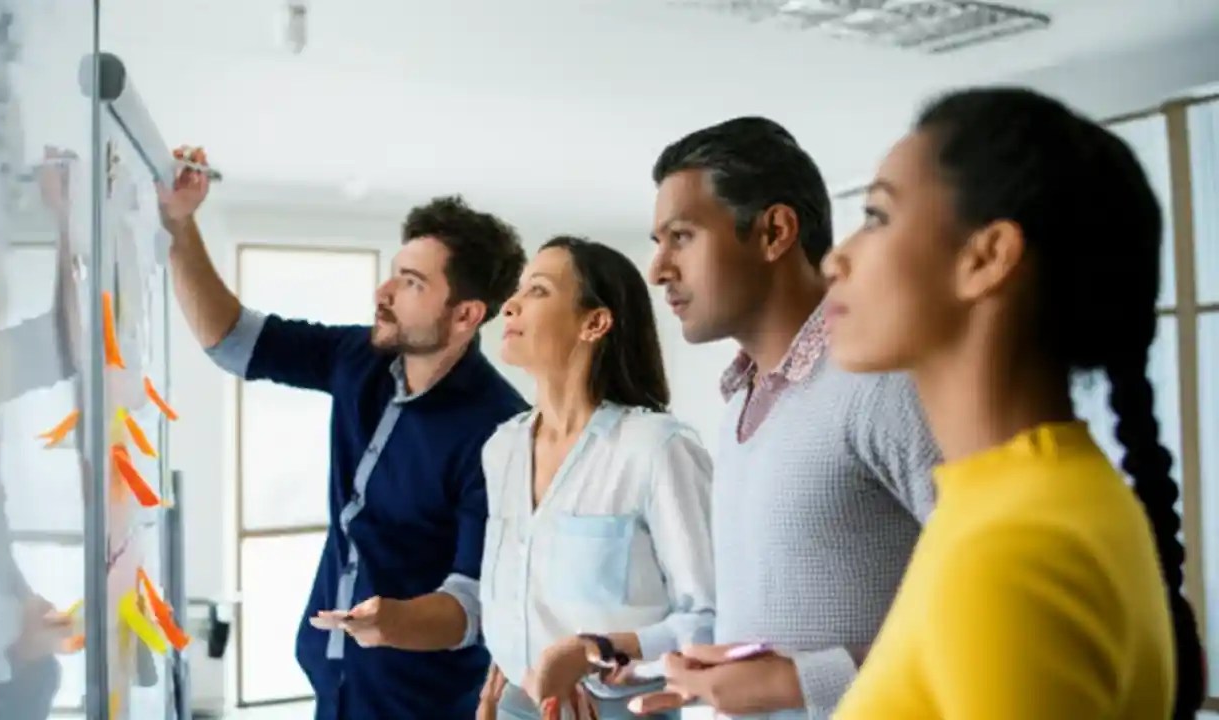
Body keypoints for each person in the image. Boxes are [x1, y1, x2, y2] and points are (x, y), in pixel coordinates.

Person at [823, 87, 1204, 719]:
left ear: (987, 257)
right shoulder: (1015, 503)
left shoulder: (1014, 544)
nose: (836, 258)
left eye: (877, 216)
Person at [158, 148, 529, 720]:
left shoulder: (500, 430)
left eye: (410, 283)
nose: (383, 293)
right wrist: (180, 224)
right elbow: (231, 341)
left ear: (465, 315)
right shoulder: (360, 357)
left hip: (420, 704)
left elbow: (475, 603)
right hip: (334, 685)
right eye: (393, 273)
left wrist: (396, 621)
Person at [633, 117, 940, 719]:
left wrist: (797, 682)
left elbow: (1005, 608)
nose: (658, 269)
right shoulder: (740, 410)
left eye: (682, 237)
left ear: (774, 231)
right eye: (657, 242)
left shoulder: (883, 385)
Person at [477, 236, 714, 720]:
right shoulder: (500, 449)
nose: (510, 306)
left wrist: (596, 650)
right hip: (513, 704)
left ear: (595, 322)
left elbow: (711, 620)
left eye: (538, 291)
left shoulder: (656, 449)